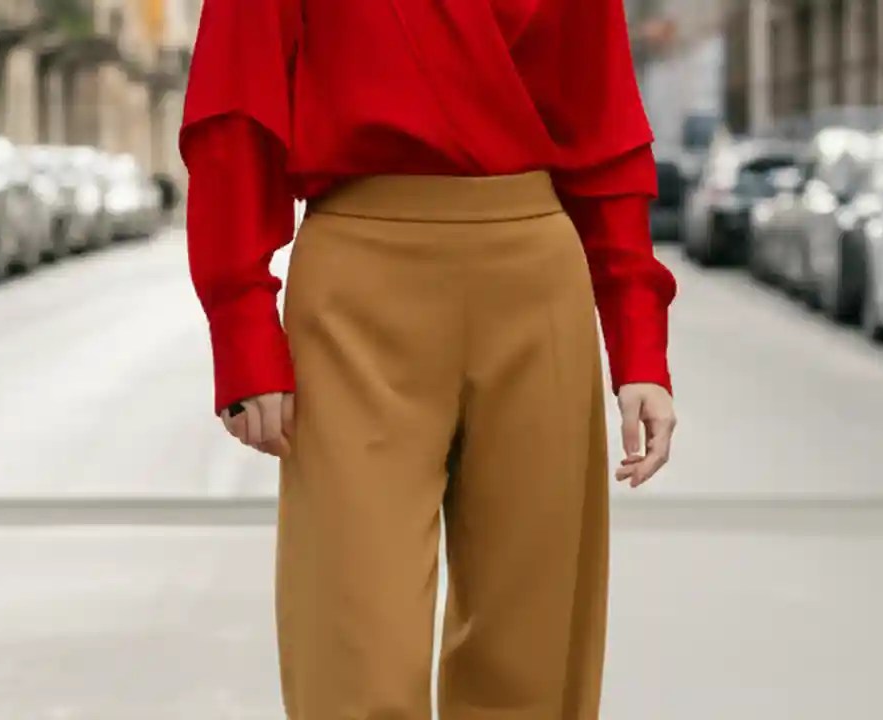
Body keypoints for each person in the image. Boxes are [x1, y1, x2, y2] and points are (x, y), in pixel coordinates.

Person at [180, 0, 678, 716]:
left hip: (536, 279)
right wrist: (241, 327)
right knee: (352, 650)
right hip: (357, 293)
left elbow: (603, 126)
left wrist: (640, 351)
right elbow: (235, 106)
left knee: (532, 655)